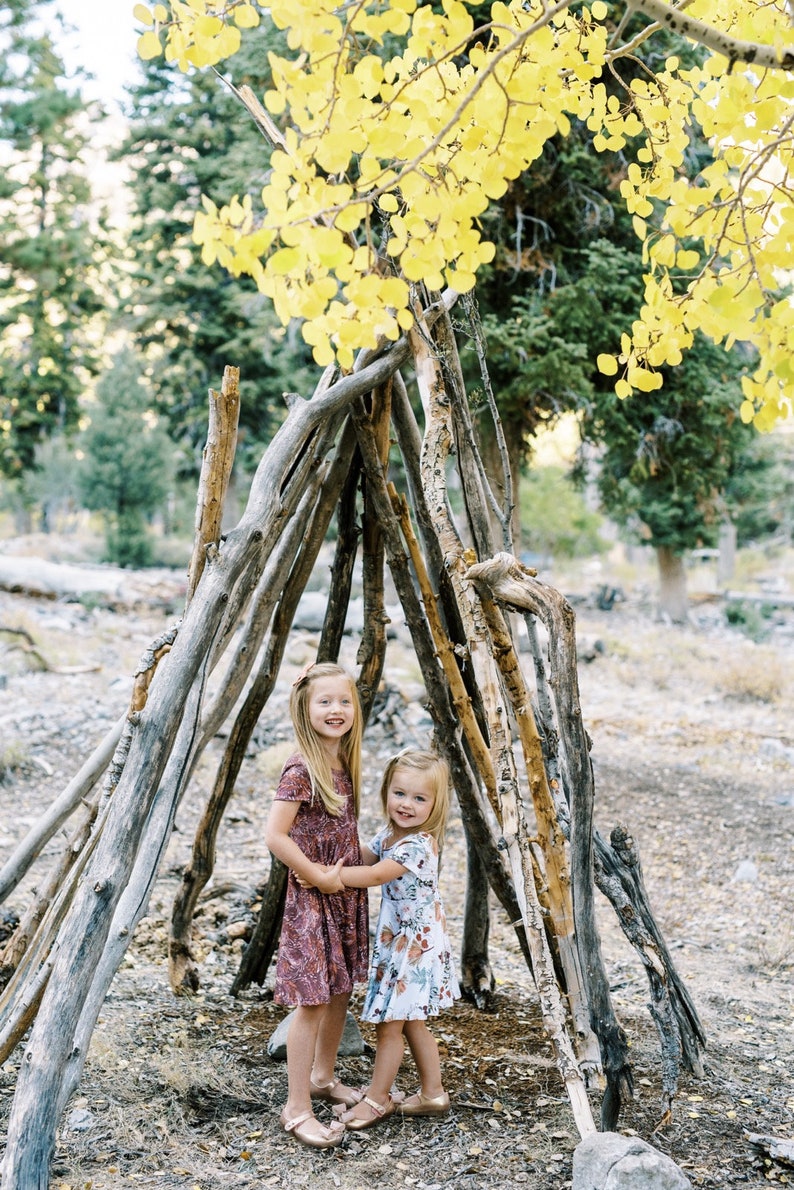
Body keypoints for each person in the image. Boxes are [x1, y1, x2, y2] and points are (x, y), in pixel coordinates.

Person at [264, 661, 369, 1149]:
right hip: (314, 900)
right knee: (312, 1002)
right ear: (304, 708)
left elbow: (340, 832)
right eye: (324, 701)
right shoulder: (301, 767)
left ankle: (324, 1076)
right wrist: (318, 876)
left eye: (344, 701)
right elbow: (275, 835)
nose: (336, 709)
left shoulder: (342, 763)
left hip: (343, 897)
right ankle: (297, 1106)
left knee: (340, 990)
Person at [334, 748, 460, 1130]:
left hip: (415, 951)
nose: (407, 805)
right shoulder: (390, 834)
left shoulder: (417, 845)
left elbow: (373, 875)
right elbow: (364, 856)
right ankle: (433, 1093)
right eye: (400, 793)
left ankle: (376, 1099)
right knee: (411, 1023)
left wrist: (329, 876)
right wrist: (329, 854)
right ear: (386, 791)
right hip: (402, 944)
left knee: (390, 1026)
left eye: (420, 798)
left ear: (435, 805)